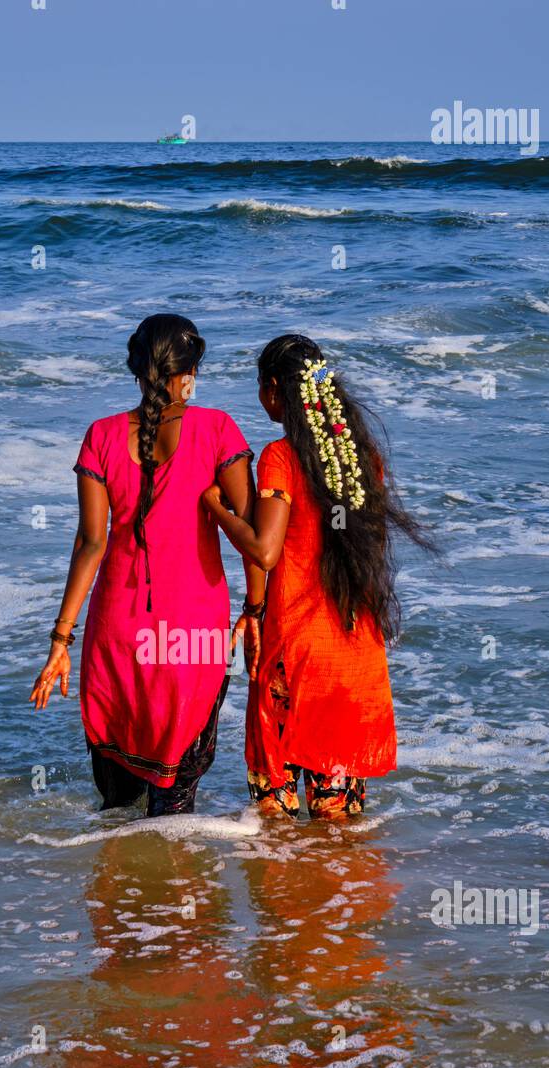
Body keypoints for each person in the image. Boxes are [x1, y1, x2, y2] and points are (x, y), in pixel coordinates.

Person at [30, 313, 265, 816]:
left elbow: (90, 544)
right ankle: (170, 890)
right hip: (191, 633)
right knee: (174, 806)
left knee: (117, 806)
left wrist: (60, 640)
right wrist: (256, 609)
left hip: (115, 631)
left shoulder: (101, 435)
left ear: (137, 368)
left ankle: (118, 889)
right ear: (189, 372)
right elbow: (251, 534)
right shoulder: (217, 429)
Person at [202, 333, 433, 821]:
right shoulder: (362, 461)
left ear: (272, 389)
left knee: (277, 824)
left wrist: (217, 509)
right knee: (341, 827)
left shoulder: (280, 458)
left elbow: (265, 551)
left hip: (296, 651)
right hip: (354, 653)